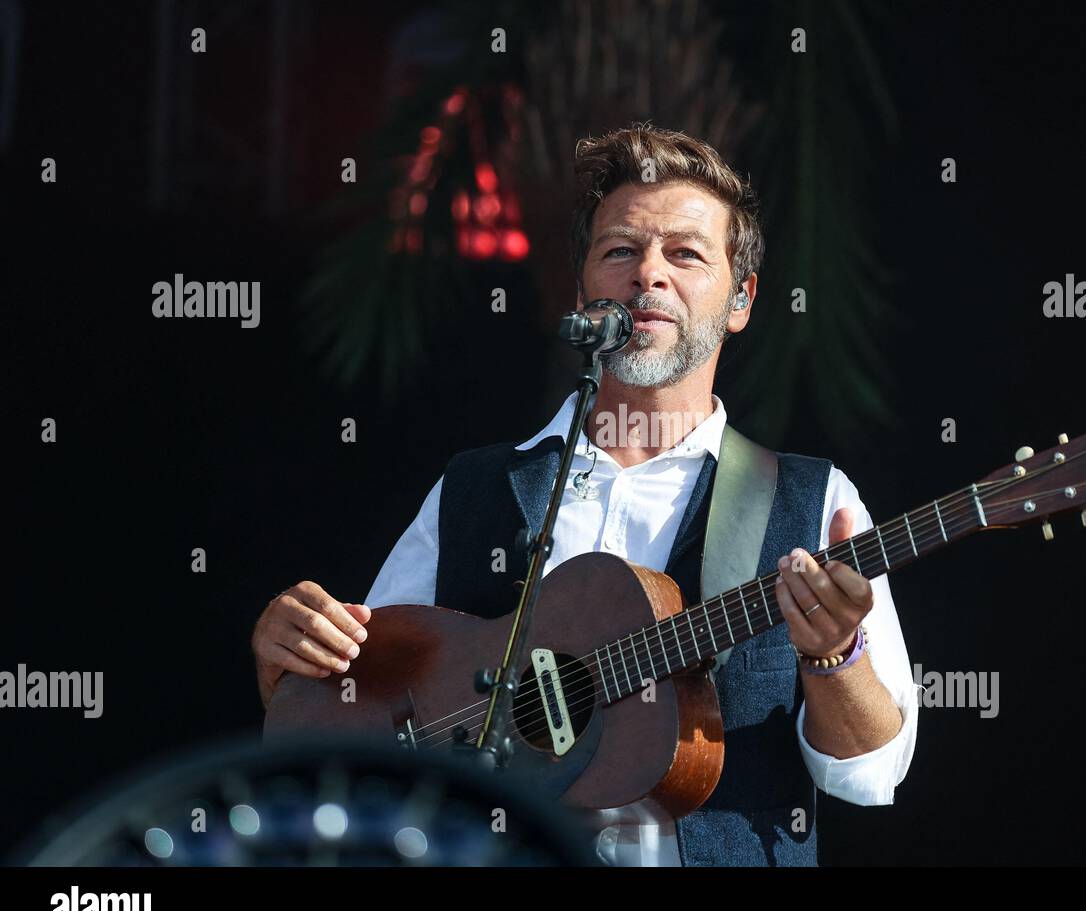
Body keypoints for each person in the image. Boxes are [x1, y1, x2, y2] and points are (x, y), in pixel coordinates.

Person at [252, 123, 919, 866]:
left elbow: (868, 772)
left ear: (742, 299)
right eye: (621, 251)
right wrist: (286, 665)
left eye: (686, 253)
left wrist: (834, 655)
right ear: (583, 290)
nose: (649, 275)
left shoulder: (809, 498)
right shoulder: (476, 489)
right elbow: (355, 718)